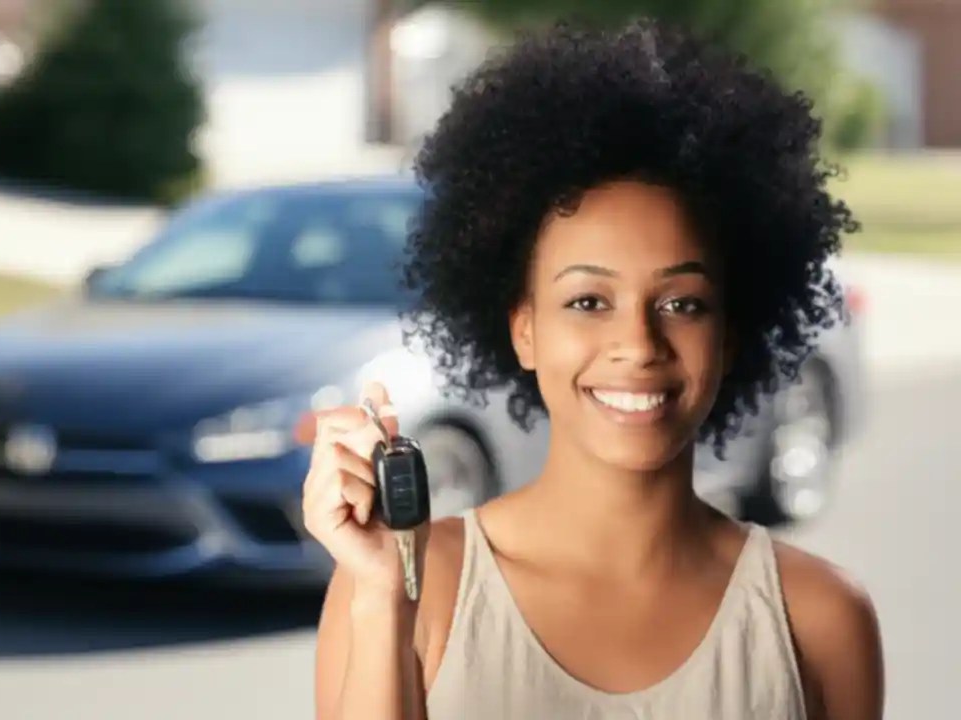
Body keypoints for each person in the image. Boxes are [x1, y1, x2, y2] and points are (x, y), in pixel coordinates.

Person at [300, 19, 884, 720]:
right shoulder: (411, 589)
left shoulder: (820, 621)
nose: (637, 343)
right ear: (523, 329)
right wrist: (382, 597)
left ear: (730, 335)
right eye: (587, 300)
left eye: (681, 303)